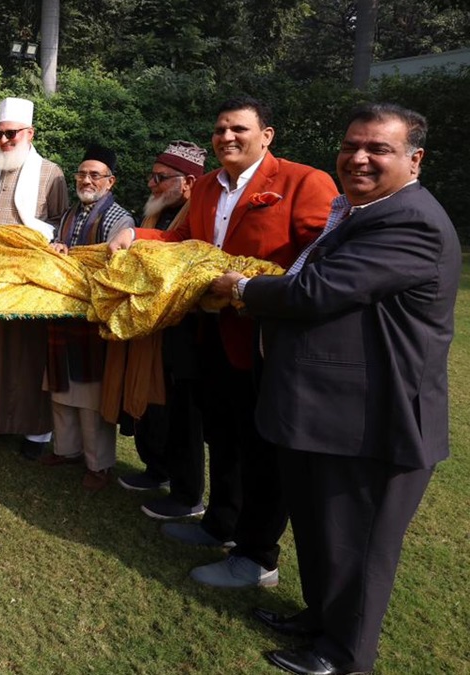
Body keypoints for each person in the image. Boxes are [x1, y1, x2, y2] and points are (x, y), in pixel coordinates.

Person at [211, 104, 458, 675]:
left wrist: (245, 288)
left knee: (360, 545)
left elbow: (314, 291)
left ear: (414, 159)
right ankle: (319, 618)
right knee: (325, 530)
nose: (360, 159)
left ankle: (345, 655)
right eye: (351, 146)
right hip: (331, 409)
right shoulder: (359, 210)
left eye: (379, 149)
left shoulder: (410, 220)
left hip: (377, 417)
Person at [110, 97, 338, 588]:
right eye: (219, 129)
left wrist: (250, 286)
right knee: (224, 435)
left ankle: (258, 558)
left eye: (238, 128)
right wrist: (137, 234)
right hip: (211, 333)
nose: (226, 137)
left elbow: (322, 257)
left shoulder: (303, 181)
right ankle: (220, 522)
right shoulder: (209, 186)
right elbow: (184, 243)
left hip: (267, 337)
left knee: (263, 447)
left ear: (267, 135)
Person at [0, 97, 68, 456]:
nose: (4, 141)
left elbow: (60, 224)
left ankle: (36, 432)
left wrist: (30, 235)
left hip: (28, 275)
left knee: (26, 350)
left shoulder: (51, 173)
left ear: (29, 133)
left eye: (11, 134)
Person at [117, 141, 208, 520]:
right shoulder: (156, 217)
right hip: (150, 327)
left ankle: (187, 495)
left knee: (181, 413)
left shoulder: (196, 217)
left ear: (188, 183)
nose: (152, 185)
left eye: (160, 177)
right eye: (151, 176)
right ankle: (157, 469)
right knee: (151, 405)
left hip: (185, 330)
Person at [43, 145, 134, 489]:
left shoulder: (119, 219)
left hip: (94, 317)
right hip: (62, 312)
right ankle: (65, 451)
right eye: (81, 173)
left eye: (95, 175)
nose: (86, 180)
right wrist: (57, 248)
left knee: (91, 396)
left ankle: (99, 465)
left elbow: (115, 267)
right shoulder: (68, 214)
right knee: (60, 386)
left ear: (110, 182)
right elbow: (56, 247)